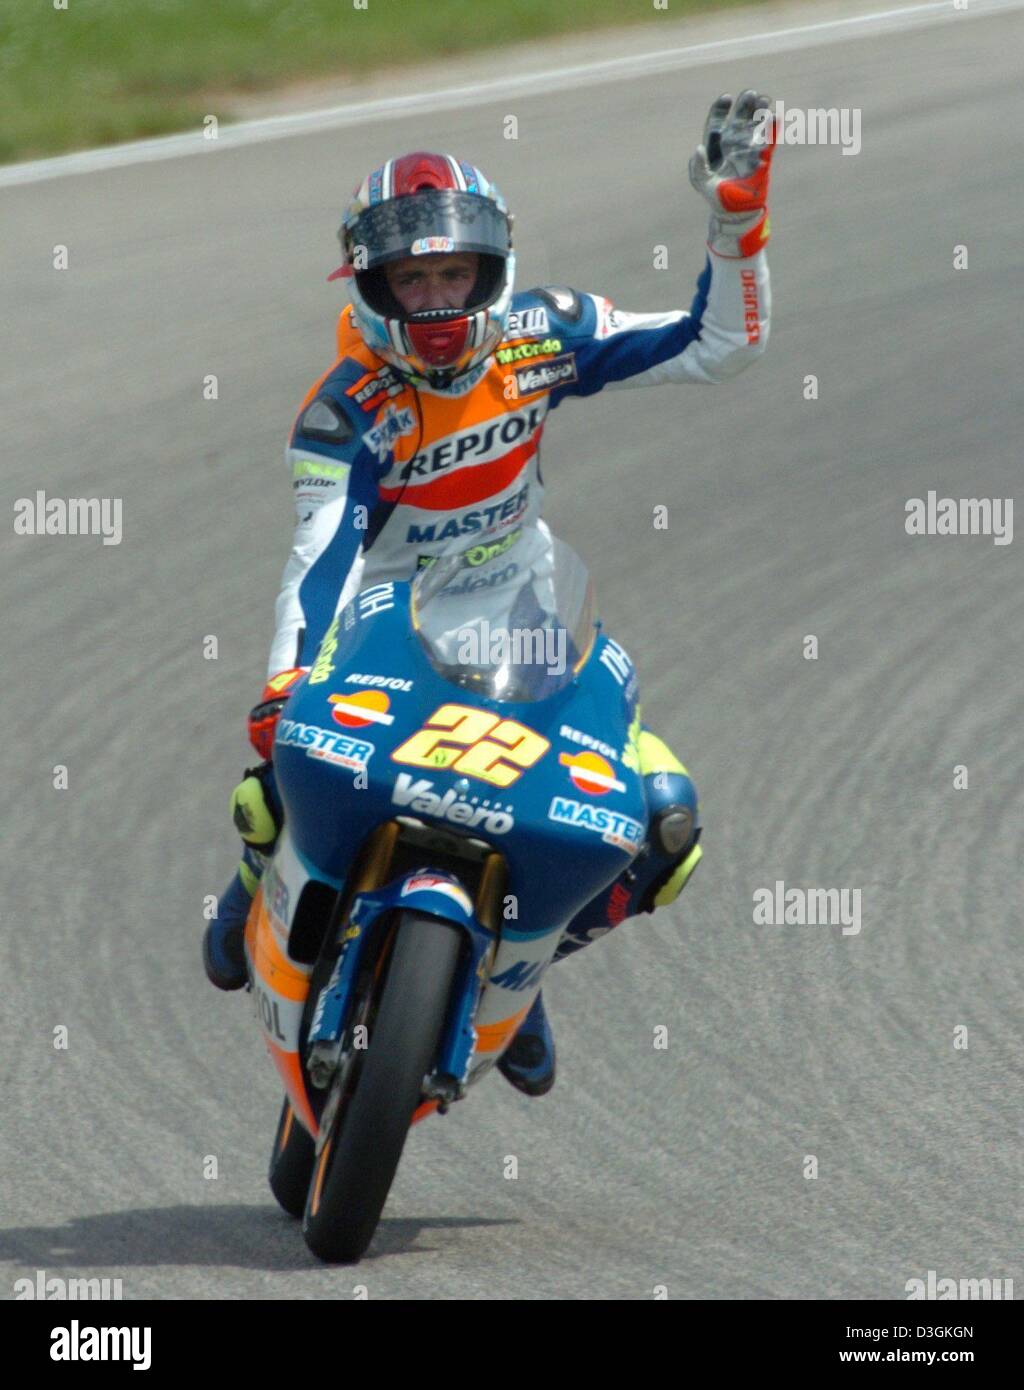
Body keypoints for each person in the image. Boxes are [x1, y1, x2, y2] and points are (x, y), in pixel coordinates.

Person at [203, 91, 777, 1097]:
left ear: (490, 272)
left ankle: (523, 962)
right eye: (412, 279)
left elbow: (715, 344)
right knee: (276, 774)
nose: (434, 302)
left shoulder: (540, 334)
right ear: (375, 285)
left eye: (452, 274)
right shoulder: (345, 412)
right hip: (379, 631)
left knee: (665, 827)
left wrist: (736, 223)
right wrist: (287, 681)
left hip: (529, 619)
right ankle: (257, 870)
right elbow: (319, 555)